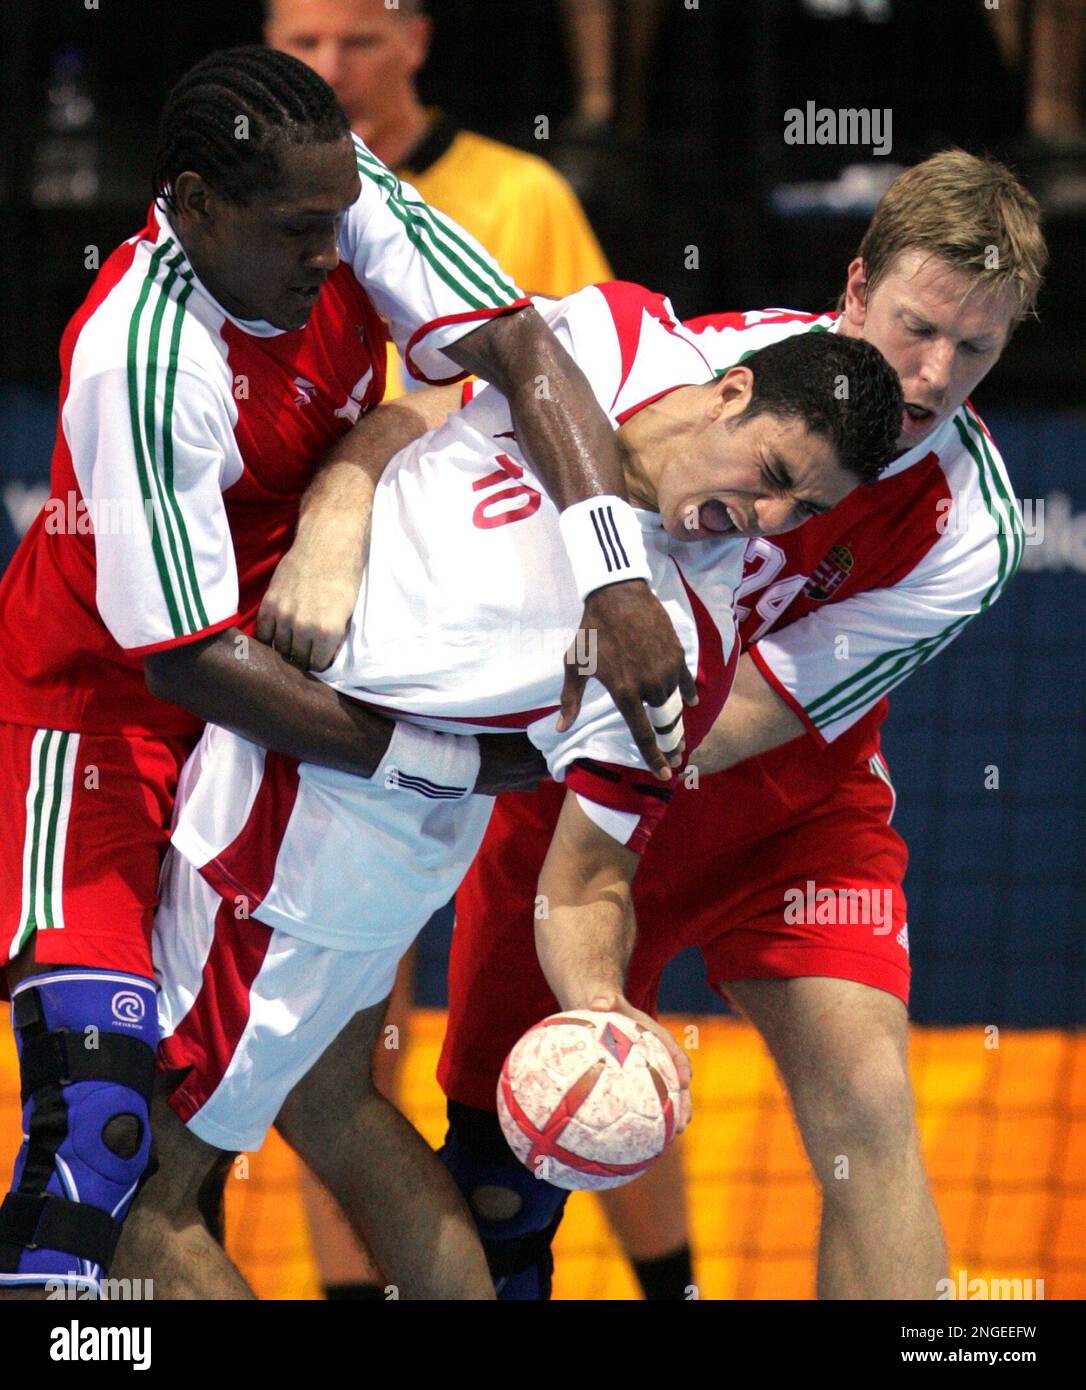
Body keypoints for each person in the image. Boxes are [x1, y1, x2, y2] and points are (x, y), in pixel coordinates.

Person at [0, 44, 696, 1300]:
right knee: (104, 1129)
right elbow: (192, 668)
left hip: (289, 680)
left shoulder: (335, 190)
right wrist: (451, 761)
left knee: (310, 1089)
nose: (332, 252)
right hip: (104, 712)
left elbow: (528, 352)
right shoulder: (140, 360)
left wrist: (618, 580)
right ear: (195, 207)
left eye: (340, 219)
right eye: (299, 229)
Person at [112, 296, 902, 1298]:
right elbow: (433, 401)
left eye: (805, 512)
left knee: (141, 1190)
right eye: (776, 476)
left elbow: (586, 885)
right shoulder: (614, 336)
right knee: (330, 1103)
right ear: (732, 390)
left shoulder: (677, 649)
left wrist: (603, 1004)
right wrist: (341, 501)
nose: (768, 522)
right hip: (350, 842)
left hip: (294, 849)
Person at [433, 149, 1049, 1299]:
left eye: (976, 349)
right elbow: (469, 431)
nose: (931, 374)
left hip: (782, 819)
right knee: (501, 1180)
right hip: (575, 813)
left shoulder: (969, 525)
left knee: (869, 1113)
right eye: (916, 325)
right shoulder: (698, 365)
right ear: (855, 286)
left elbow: (737, 713)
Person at [262, 0, 615, 1297]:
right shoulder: (252, 208)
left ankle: (670, 1276)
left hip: (496, 680)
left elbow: (578, 389)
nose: (328, 69)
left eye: (352, 41)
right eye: (300, 44)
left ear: (412, 39)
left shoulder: (515, 195)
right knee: (330, 1048)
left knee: (577, 1039)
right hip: (339, 657)